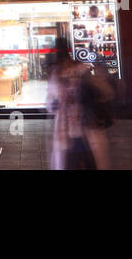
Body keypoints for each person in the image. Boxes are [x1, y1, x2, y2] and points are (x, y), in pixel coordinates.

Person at [46, 38, 89, 169]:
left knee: (69, 159)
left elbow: (50, 104)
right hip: (81, 123)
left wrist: (58, 101)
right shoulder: (80, 67)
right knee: (79, 157)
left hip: (66, 126)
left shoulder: (56, 72)